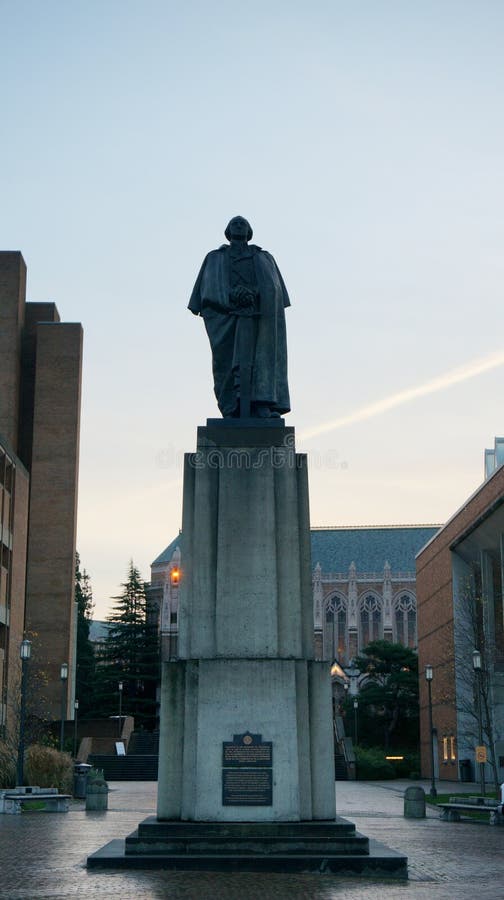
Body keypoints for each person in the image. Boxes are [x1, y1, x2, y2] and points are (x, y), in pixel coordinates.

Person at [188, 216, 291, 418]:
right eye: (234, 222)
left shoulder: (264, 257)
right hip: (226, 317)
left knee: (260, 361)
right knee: (225, 364)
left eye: (242, 223)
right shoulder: (215, 257)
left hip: (258, 317)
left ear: (249, 231)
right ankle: (231, 407)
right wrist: (231, 296)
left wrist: (255, 294)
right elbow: (209, 287)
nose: (238, 225)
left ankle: (262, 404)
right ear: (227, 231)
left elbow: (275, 290)